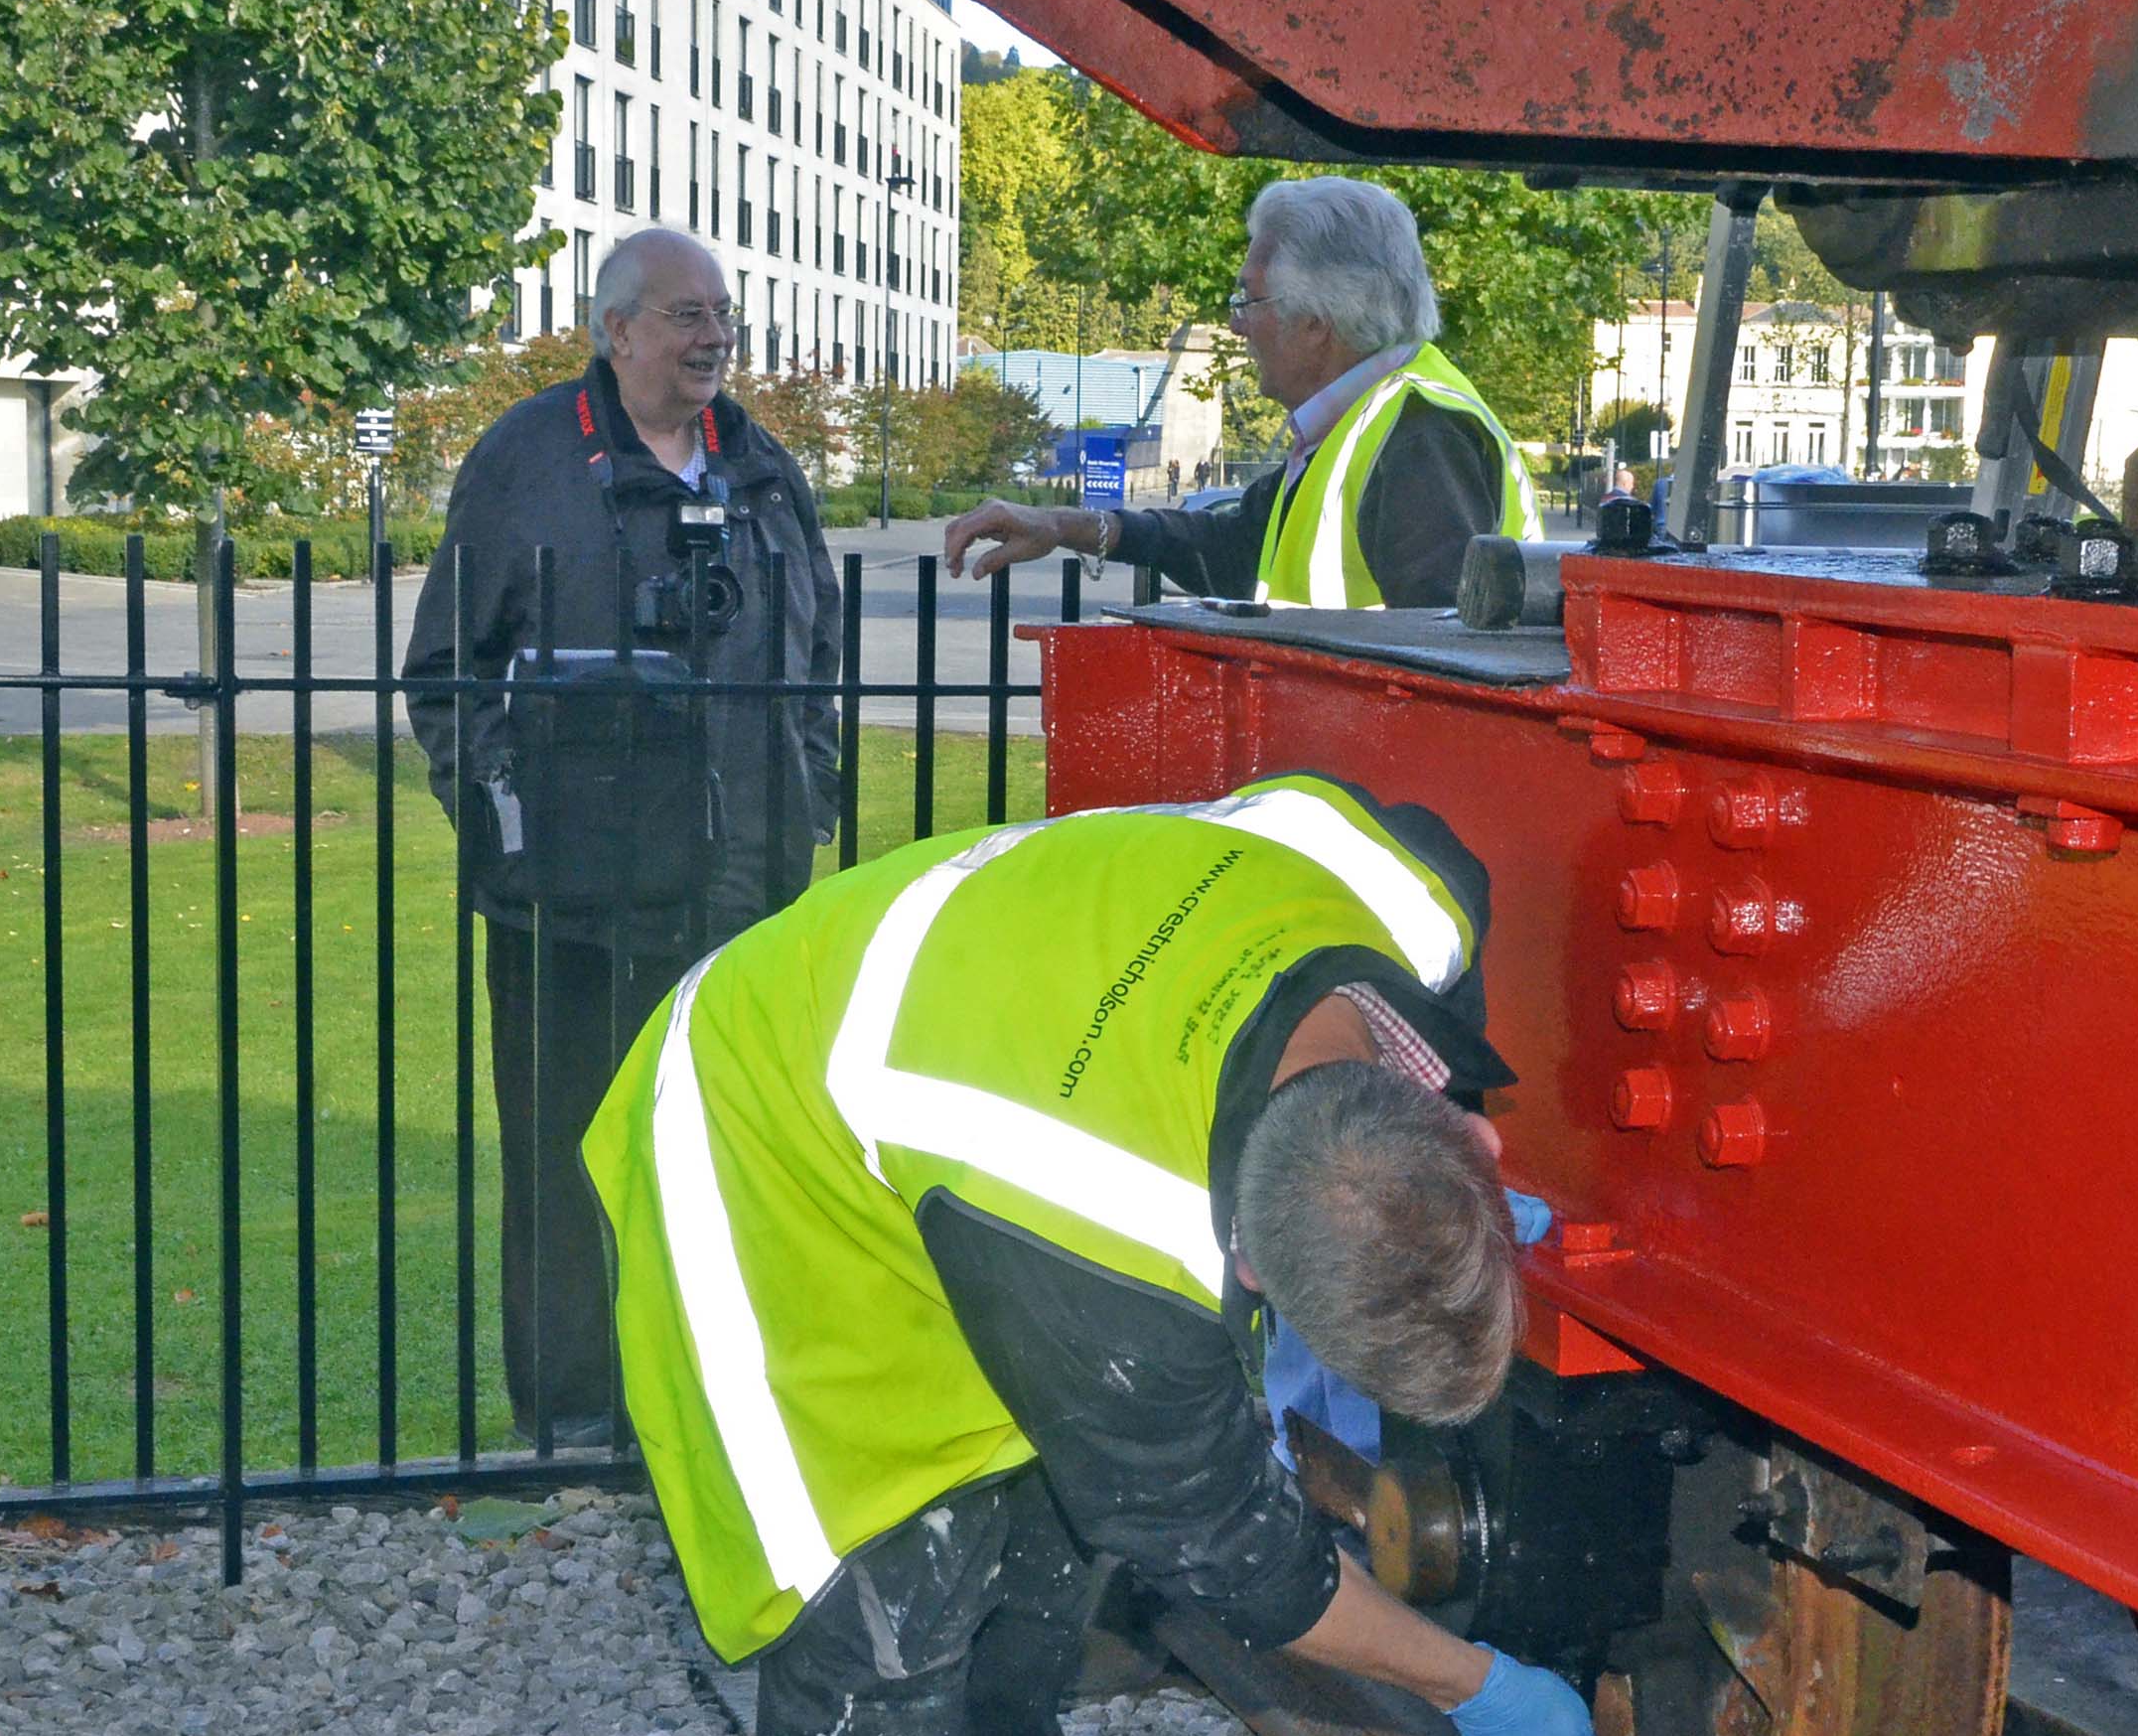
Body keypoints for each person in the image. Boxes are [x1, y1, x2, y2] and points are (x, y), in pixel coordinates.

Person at [583, 773, 1614, 1736]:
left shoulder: (1418, 896)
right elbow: (1246, 1563)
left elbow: (1401, 854)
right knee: (880, 1683)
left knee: (1015, 1661)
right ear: (1248, 1267)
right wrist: (1470, 1682)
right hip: (764, 1143)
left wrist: (1434, 1188)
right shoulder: (1118, 1241)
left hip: (975, 1090)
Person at [404, 227, 840, 1451]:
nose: (715, 338)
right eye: (687, 315)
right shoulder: (529, 459)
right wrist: (504, 818)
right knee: (561, 1164)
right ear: (617, 331)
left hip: (739, 895)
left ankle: (704, 1403)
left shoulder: (761, 470)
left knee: (717, 1158)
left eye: (724, 315)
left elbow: (817, 652)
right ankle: (572, 1417)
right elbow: (447, 671)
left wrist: (807, 791)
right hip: (568, 902)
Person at [942, 177, 1545, 610]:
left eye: (1249, 300)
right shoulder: (1367, 419)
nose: (1236, 325)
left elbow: (1442, 656)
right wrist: (1063, 524)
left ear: (1317, 322)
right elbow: (1237, 548)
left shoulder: (1421, 433)